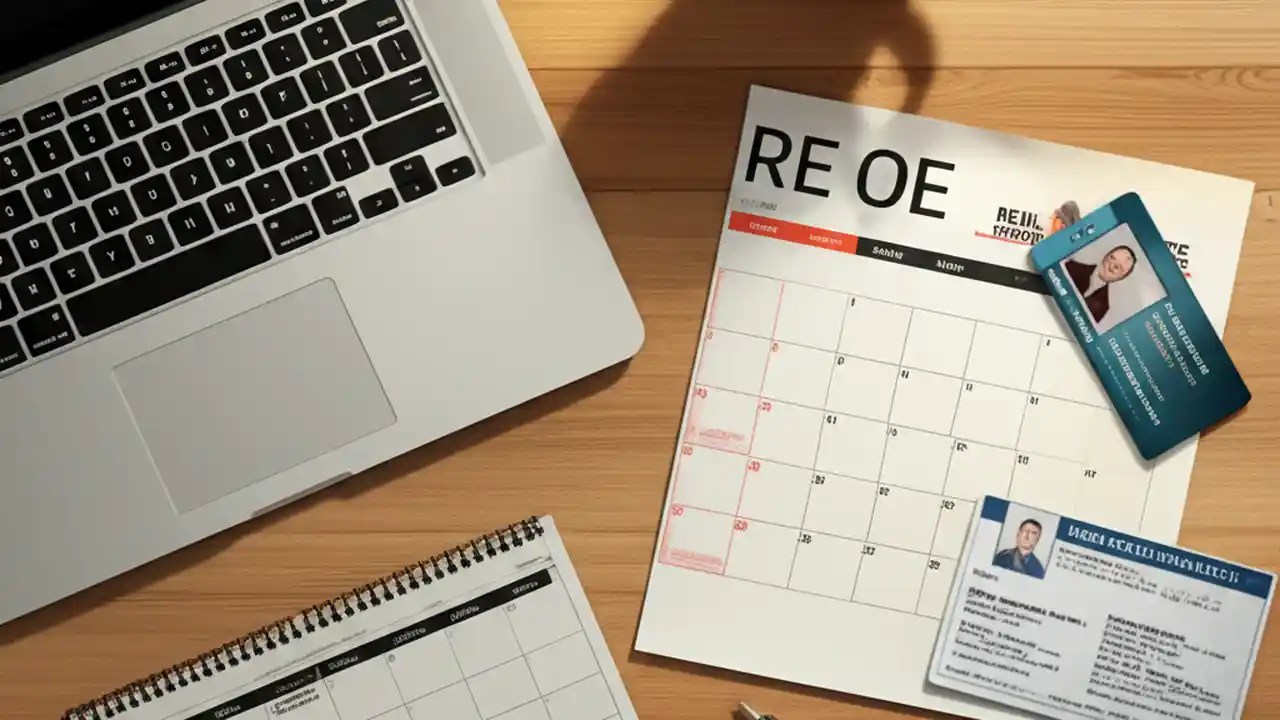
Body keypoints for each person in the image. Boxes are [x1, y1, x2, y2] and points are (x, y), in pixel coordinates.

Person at [1064, 245, 1138, 324]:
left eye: (1120, 267)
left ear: (1122, 277)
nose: (1112, 266)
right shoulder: (1072, 267)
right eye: (1113, 258)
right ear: (1105, 257)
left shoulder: (1103, 307)